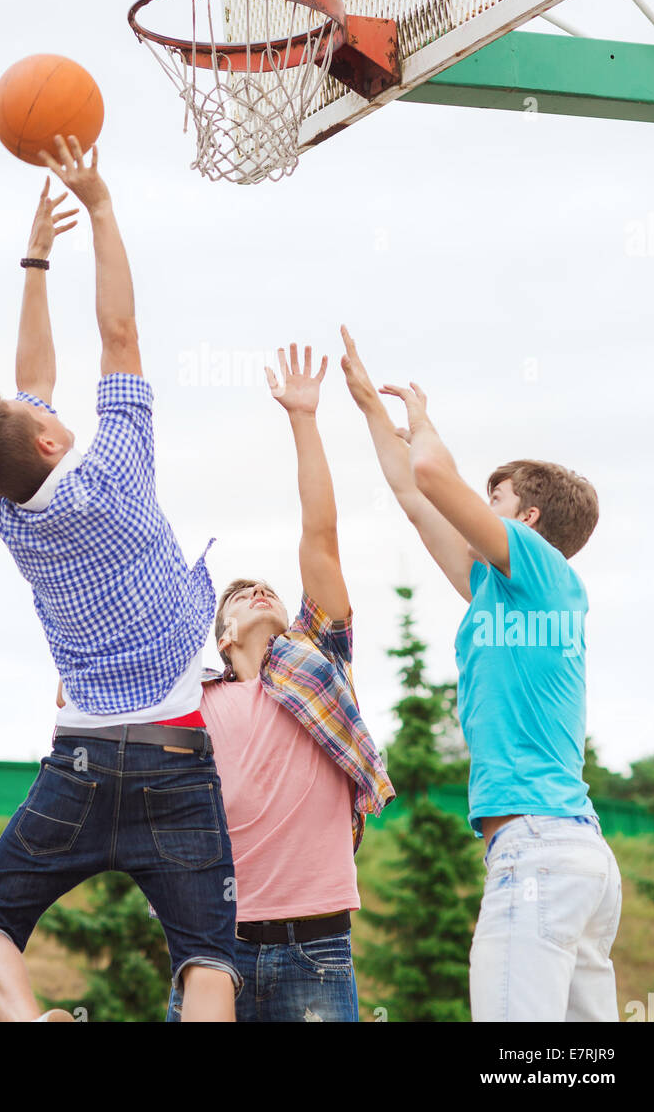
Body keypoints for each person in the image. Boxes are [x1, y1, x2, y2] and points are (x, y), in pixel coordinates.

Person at [0, 136, 239, 1022]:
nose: (46, 399)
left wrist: (37, 258)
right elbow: (119, 331)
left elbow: (27, 386)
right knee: (210, 959)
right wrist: (104, 209)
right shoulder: (115, 462)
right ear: (46, 441)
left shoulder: (14, 518)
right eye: (40, 412)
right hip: (175, 756)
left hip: (75, 766)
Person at [340, 326, 622, 1022]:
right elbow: (416, 497)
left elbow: (435, 477)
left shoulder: (538, 566)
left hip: (539, 852)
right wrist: (371, 411)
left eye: (491, 498)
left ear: (526, 520)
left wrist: (424, 418)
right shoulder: (504, 591)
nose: (477, 506)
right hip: (569, 851)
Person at [165, 342, 395, 1023]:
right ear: (222, 638)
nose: (259, 590)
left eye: (266, 588)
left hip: (316, 950)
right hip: (211, 950)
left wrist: (303, 417)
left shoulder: (315, 659)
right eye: (239, 596)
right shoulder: (193, 700)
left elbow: (320, 536)